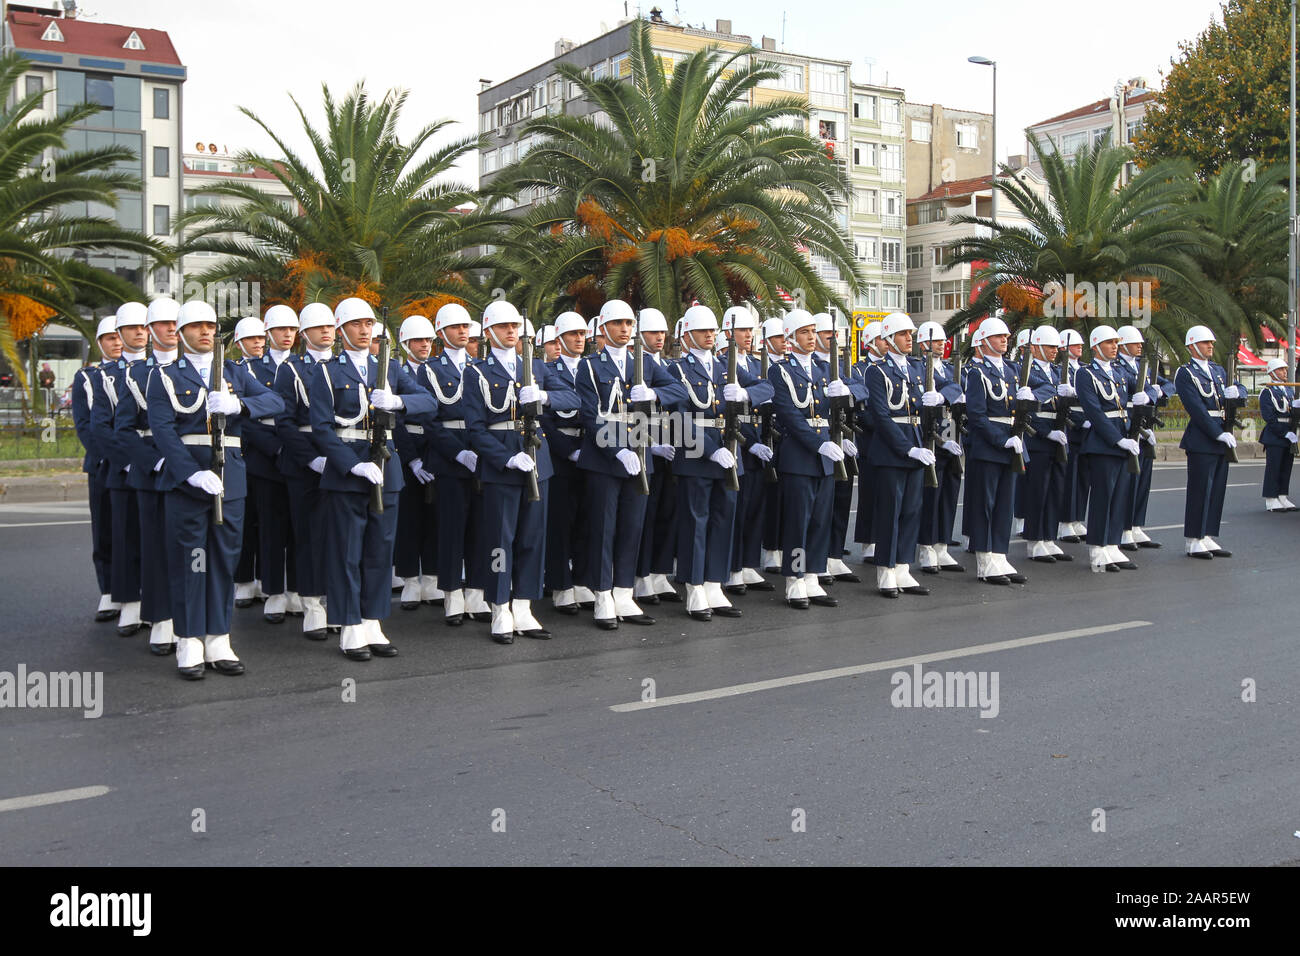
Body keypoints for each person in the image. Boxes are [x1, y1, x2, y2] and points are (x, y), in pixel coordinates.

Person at [147, 299, 284, 679]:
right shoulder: (164, 376)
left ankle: (218, 637)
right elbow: (163, 431)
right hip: (188, 482)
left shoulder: (235, 373)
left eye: (210, 326)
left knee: (224, 557)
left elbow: (275, 401)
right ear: (180, 333)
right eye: (197, 327)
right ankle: (189, 639)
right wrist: (190, 474)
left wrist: (238, 404)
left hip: (231, 478)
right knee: (193, 559)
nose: (206, 332)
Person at [309, 297, 438, 660]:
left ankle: (372, 620)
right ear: (340, 330)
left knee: (380, 550)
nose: (365, 331)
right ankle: (349, 624)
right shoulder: (326, 371)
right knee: (347, 551)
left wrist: (398, 402)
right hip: (347, 471)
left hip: (387, 469)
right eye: (357, 324)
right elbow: (321, 429)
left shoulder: (391, 369)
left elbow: (429, 402)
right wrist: (351, 465)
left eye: (369, 324)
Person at [463, 300, 579, 642]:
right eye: (503, 327)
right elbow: (475, 428)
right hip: (504, 466)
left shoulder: (537, 369)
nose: (511, 331)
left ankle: (524, 607)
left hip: (538, 463)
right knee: (500, 541)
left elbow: (573, 400)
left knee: (532, 538)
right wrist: (504, 458)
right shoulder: (477, 372)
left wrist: (543, 395)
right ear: (488, 332)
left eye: (514, 326)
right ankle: (500, 606)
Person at [574, 300, 687, 628]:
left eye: (628, 323)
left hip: (639, 456)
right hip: (605, 459)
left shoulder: (646, 364)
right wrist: (616, 450)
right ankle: (602, 594)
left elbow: (678, 390)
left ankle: (624, 591)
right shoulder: (590, 366)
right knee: (604, 528)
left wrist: (653, 394)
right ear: (604, 329)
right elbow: (591, 414)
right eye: (618, 323)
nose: (625, 329)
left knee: (631, 527)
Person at [114, 296, 180, 654]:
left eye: (175, 323)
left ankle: (192, 617)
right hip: (153, 470)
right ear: (151, 330)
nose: (171, 329)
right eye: (164, 324)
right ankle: (160, 618)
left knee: (189, 547)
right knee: (155, 546)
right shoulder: (135, 374)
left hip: (188, 469)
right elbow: (123, 430)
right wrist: (155, 462)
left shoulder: (192, 369)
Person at [767, 309, 843, 608]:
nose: (812, 337)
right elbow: (789, 415)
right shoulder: (780, 371)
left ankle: (813, 574)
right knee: (798, 521)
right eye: (804, 332)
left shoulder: (825, 369)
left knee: (820, 520)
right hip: (799, 455)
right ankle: (795, 578)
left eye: (813, 332)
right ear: (790, 337)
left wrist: (846, 393)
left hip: (824, 455)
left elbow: (837, 409)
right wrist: (818, 445)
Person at [423, 302, 491, 625]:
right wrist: (456, 453)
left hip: (481, 454)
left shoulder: (481, 367)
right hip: (450, 459)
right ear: (441, 333)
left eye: (466, 328)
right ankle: (452, 594)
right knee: (451, 527)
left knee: (481, 527)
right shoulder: (430, 370)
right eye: (455, 328)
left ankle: (477, 593)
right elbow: (430, 422)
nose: (463, 332)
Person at [864, 312, 936, 597]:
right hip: (892, 451)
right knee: (890, 513)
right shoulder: (877, 371)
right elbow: (881, 417)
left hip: (916, 444)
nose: (910, 339)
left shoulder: (917, 368)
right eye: (904, 334)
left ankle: (904, 568)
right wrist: (908, 449)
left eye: (911, 334)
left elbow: (918, 410)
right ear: (889, 339)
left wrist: (936, 403)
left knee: (911, 511)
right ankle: (886, 571)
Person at [1076, 325, 1158, 572]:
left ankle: (1112, 544)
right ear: (1096, 347)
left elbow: (1144, 389)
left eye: (1115, 342)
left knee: (1120, 496)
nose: (1114, 347)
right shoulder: (1086, 374)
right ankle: (1097, 549)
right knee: (1103, 497)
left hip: (1125, 440)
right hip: (1103, 444)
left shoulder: (1120, 373)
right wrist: (1116, 439)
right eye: (1109, 342)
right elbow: (1095, 412)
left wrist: (1147, 397)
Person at [273, 302, 333, 640]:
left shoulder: (340, 367)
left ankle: (336, 600)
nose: (325, 332)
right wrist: (311, 458)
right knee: (309, 534)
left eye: (329, 327)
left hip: (339, 458)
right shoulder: (291, 369)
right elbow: (285, 423)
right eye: (318, 327)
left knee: (338, 535)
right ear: (305, 334)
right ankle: (312, 605)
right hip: (304, 463)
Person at [92, 302, 149, 636]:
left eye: (143, 327)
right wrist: (131, 460)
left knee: (155, 539)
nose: (138, 333)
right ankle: (129, 602)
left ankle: (157, 601)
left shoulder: (160, 368)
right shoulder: (104, 376)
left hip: (157, 466)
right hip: (124, 468)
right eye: (130, 329)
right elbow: (101, 428)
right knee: (125, 536)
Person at [963, 316, 1031, 584]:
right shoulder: (977, 373)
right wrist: (1001, 440)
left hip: (1012, 443)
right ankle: (984, 561)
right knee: (985, 504)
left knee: (1005, 504)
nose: (1004, 340)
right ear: (983, 342)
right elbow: (977, 416)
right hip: (989, 447)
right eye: (998, 337)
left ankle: (1000, 556)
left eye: (1006, 337)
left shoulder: (1012, 371)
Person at [720, 305, 779, 594]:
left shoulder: (755, 365)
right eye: (743, 330)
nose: (748, 336)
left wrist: (748, 393)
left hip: (757, 438)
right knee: (736, 509)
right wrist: (749, 442)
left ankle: (747, 564)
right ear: (728, 333)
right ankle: (732, 568)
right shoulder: (723, 364)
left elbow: (768, 389)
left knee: (756, 507)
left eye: (750, 331)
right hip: (736, 441)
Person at [1175, 325, 1242, 559]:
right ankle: (1194, 540)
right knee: (1200, 490)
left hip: (1222, 434)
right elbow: (1197, 409)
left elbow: (1238, 387)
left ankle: (1208, 536)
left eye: (1211, 343)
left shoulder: (1219, 371)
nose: (1210, 346)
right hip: (1203, 438)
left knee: (1216, 490)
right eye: (1205, 343)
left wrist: (1238, 393)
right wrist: (1217, 433)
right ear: (1192, 346)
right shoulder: (1185, 373)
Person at [632, 308, 683, 605]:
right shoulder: (634, 365)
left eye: (662, 332)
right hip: (642, 443)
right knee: (646, 514)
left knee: (667, 510)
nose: (659, 337)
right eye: (653, 333)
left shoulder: (664, 366)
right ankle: (641, 575)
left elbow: (678, 397)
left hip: (668, 442)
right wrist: (648, 445)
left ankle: (660, 572)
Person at [74, 316, 122, 622]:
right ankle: (108, 591)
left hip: (138, 463)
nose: (116, 342)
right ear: (100, 343)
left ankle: (137, 588)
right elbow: (85, 427)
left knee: (136, 530)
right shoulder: (87, 377)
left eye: (119, 337)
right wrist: (115, 455)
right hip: (104, 463)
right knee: (104, 528)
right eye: (110, 338)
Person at [392, 314, 441, 609]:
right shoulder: (396, 372)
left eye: (428, 340)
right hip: (406, 447)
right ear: (406, 343)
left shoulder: (436, 371)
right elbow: (395, 421)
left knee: (434, 516)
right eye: (419, 340)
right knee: (409, 518)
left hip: (435, 449)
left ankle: (432, 579)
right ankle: (410, 580)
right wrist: (411, 460)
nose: (425, 345)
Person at [543, 311, 590, 615]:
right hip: (559, 452)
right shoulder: (549, 371)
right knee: (560, 522)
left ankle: (583, 581)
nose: (578, 339)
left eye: (583, 334)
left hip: (591, 449)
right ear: (559, 339)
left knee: (587, 520)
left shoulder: (593, 369)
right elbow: (545, 421)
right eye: (572, 334)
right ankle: (560, 585)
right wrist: (567, 450)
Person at [913, 321, 966, 574]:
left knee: (950, 490)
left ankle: (942, 545)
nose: (940, 346)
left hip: (949, 427)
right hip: (927, 431)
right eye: (935, 342)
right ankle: (926, 547)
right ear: (923, 344)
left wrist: (946, 395)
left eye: (942, 342)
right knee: (931, 493)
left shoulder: (947, 369)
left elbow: (958, 387)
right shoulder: (917, 367)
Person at [1114, 325, 1172, 547]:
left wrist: (1157, 391)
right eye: (1135, 343)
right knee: (1127, 480)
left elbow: (1168, 385)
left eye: (1140, 343)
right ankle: (1123, 528)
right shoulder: (1118, 367)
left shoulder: (1143, 366)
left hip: (1146, 425)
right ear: (1123, 345)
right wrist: (1150, 391)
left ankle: (1136, 525)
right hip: (1128, 423)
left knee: (1143, 478)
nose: (1140, 346)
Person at [1020, 325, 1074, 565]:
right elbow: (1027, 412)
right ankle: (1034, 541)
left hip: (1059, 435)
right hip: (1038, 438)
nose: (1055, 351)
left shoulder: (1058, 372)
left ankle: (1049, 537)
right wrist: (1045, 433)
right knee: (1037, 491)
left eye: (1057, 348)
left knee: (1056, 489)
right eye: (1051, 347)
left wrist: (1071, 394)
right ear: (1037, 347)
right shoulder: (1026, 373)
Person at [852, 320, 883, 561]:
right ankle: (868, 542)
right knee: (870, 491)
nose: (885, 342)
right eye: (882, 339)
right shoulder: (859, 369)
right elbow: (862, 405)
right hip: (870, 436)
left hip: (890, 436)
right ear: (871, 343)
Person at [759, 316, 787, 574]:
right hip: (766, 434)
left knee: (784, 498)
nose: (784, 342)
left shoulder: (790, 366)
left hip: (784, 434)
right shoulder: (761, 366)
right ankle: (770, 549)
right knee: (768, 496)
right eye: (779, 338)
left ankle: (780, 546)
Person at [1057, 328, 1089, 544]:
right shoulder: (1061, 371)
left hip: (1086, 426)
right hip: (1070, 426)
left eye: (1080, 345)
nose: (1079, 348)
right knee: (1070, 477)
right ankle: (1065, 522)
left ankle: (1077, 518)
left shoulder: (1085, 370)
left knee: (1083, 477)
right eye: (1074, 345)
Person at [1259, 357, 1300, 511]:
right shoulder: (1267, 392)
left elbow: (1291, 414)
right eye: (1281, 369)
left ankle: (1282, 496)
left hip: (1289, 433)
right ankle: (1271, 499)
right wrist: (1285, 433)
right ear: (1272, 372)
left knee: (1285, 467)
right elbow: (1269, 417)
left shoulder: (1288, 390)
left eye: (1285, 369)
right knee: (1274, 468)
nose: (1284, 372)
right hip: (1275, 435)